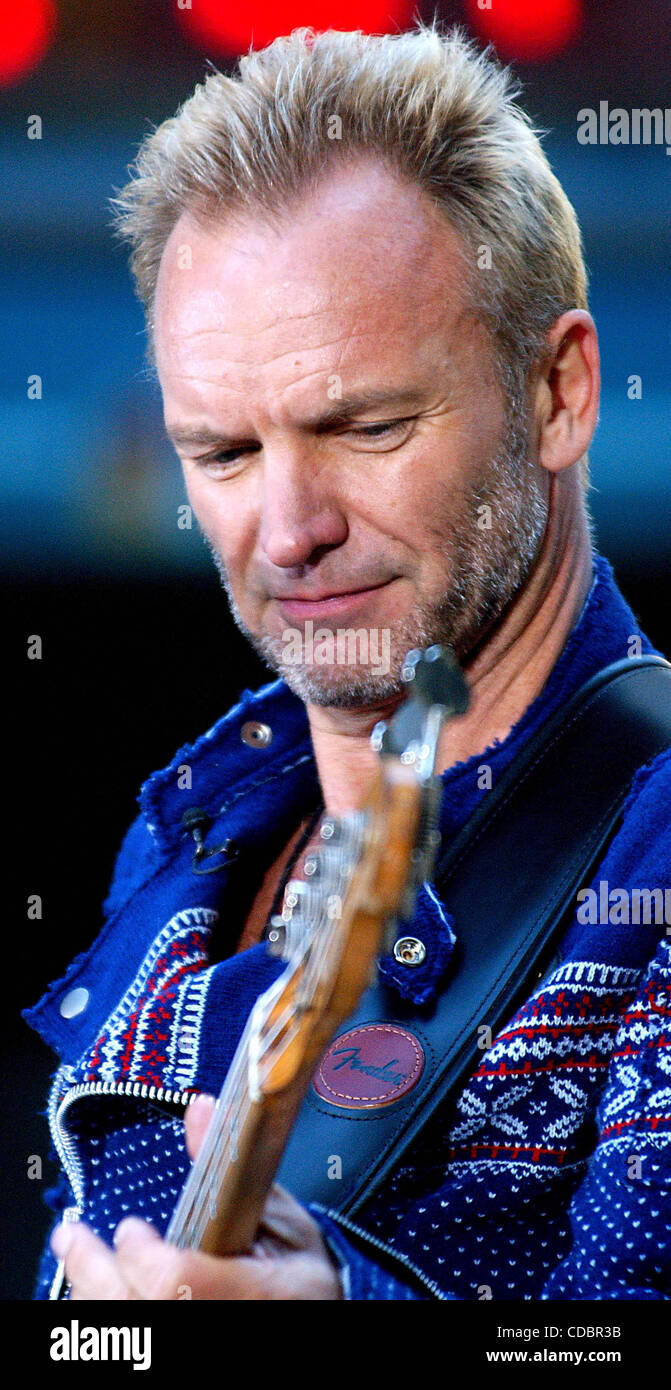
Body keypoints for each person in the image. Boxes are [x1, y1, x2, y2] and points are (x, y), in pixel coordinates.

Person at [25, 22, 671, 1301]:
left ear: (559, 393)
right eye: (219, 454)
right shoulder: (191, 839)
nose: (287, 530)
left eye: (365, 426)